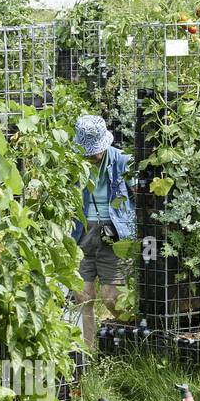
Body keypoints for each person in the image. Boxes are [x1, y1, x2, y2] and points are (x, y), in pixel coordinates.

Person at [72, 113, 136, 349]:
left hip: (113, 233)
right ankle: (87, 355)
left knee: (112, 297)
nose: (92, 157)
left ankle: (128, 346)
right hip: (82, 232)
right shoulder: (75, 165)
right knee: (82, 297)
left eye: (95, 152)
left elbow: (141, 199)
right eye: (87, 152)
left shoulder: (123, 162)